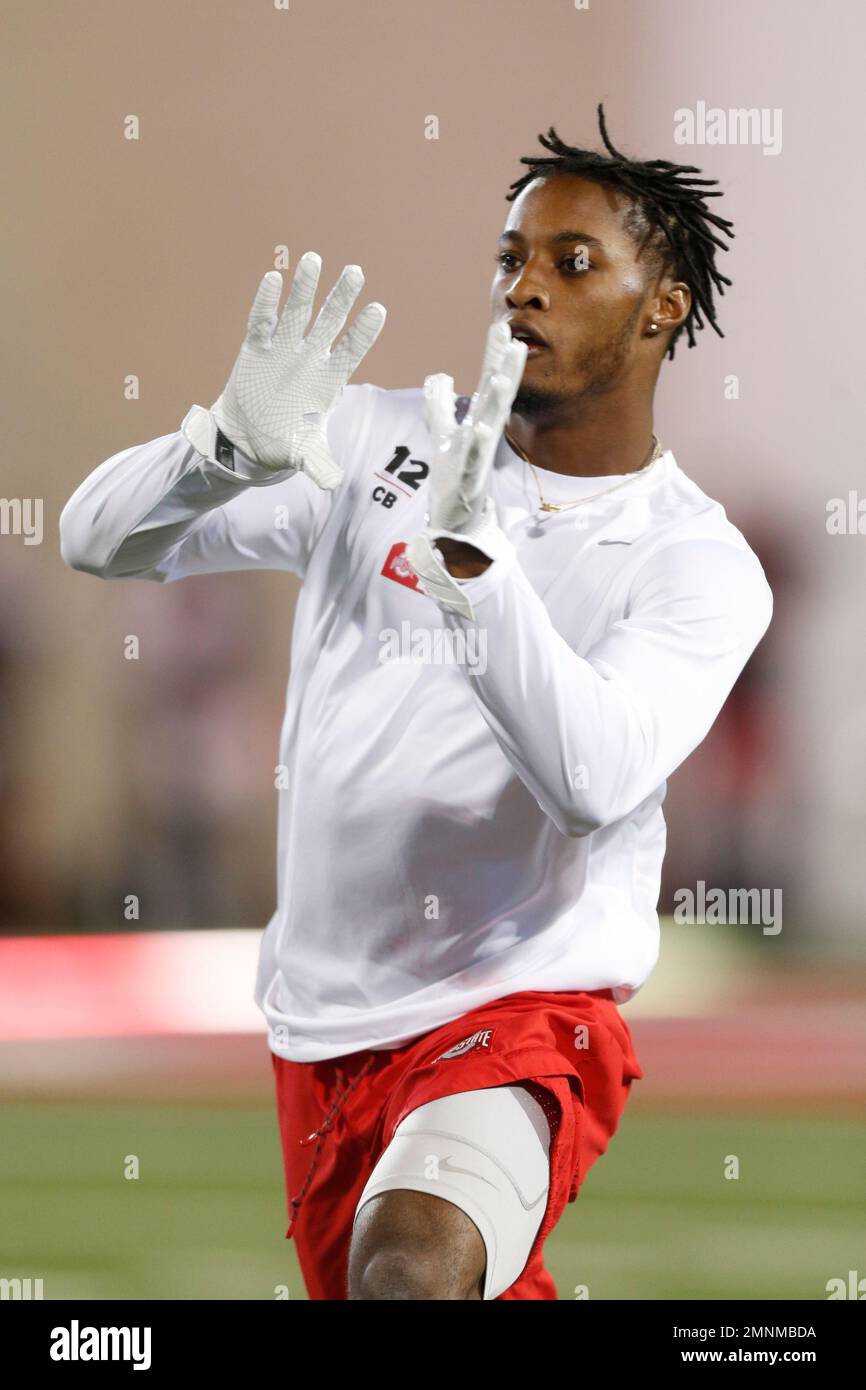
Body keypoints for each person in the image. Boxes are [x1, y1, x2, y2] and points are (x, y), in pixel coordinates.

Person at [59, 105, 773, 1300]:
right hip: (323, 1020)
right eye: (510, 257)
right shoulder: (378, 438)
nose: (522, 288)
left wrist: (478, 576)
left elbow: (593, 776)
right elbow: (95, 540)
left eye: (571, 262)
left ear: (662, 306)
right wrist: (220, 450)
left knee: (410, 1273)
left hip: (521, 1008)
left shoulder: (694, 559)